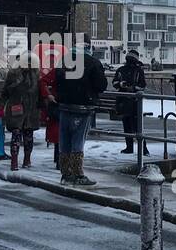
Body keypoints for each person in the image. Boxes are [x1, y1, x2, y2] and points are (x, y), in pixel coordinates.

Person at [54, 42, 108, 186]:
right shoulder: (93, 63)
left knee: (65, 140)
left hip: (65, 106)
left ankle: (66, 173)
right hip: (83, 107)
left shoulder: (64, 61)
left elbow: (56, 80)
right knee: (78, 140)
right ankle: (78, 174)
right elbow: (101, 85)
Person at [1, 52, 40, 171]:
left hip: (29, 110)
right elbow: (5, 92)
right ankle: (15, 161)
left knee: (28, 135)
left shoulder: (35, 75)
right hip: (17, 109)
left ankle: (26, 159)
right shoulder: (14, 75)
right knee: (17, 134)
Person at [112, 48, 148, 155]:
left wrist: (133, 88)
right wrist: (121, 84)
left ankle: (142, 149)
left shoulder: (138, 71)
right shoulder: (122, 70)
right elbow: (115, 83)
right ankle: (131, 147)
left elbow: (142, 86)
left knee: (136, 127)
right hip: (126, 102)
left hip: (133, 102)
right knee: (129, 126)